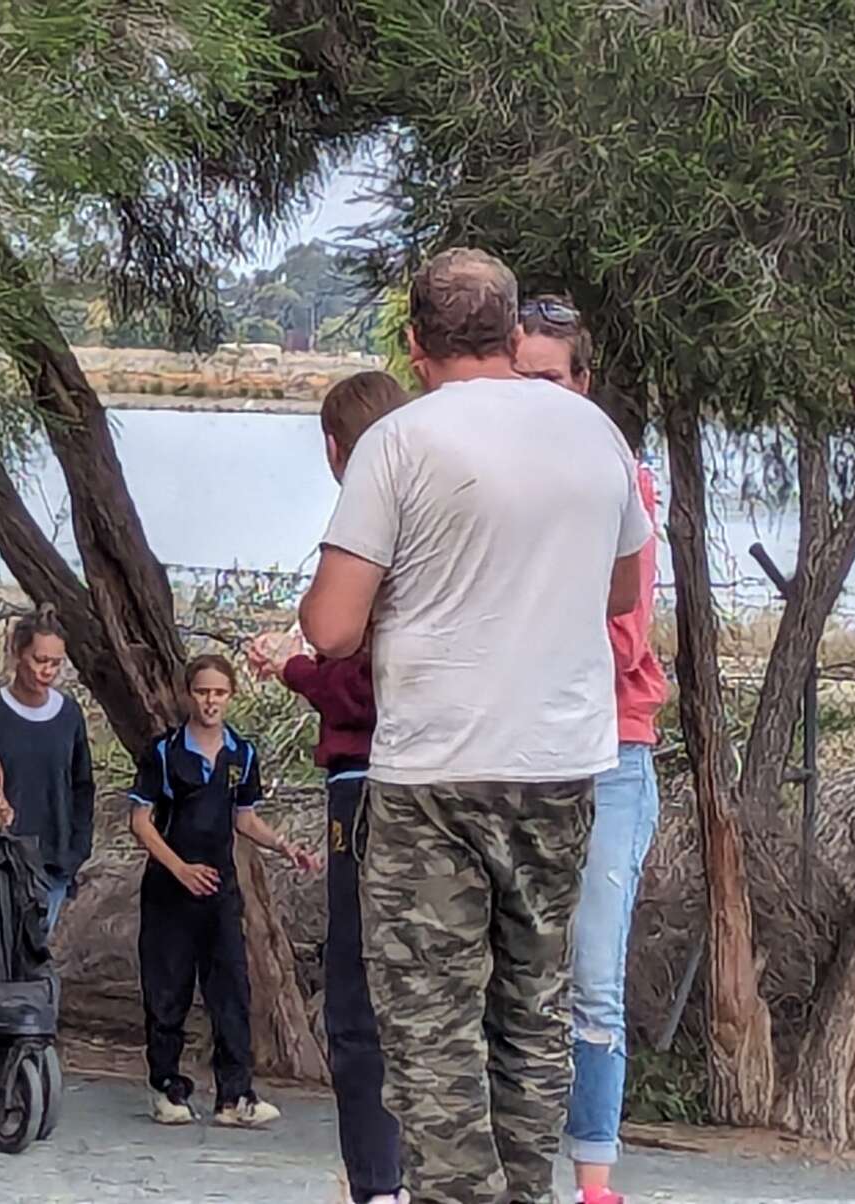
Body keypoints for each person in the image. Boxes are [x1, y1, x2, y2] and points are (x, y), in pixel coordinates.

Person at [299, 247, 651, 1204]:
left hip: (436, 774)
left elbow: (331, 627)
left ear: (415, 344)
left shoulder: (402, 442)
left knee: (430, 1020)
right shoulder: (596, 435)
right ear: (506, 333)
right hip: (562, 765)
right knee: (531, 1010)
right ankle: (526, 1191)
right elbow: (623, 587)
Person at [516, 296, 666, 1204]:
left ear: (583, 383)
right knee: (511, 974)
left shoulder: (626, 483)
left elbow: (625, 635)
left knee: (591, 977)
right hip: (516, 750)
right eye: (518, 377)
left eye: (550, 378)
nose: (535, 397)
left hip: (610, 751)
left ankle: (597, 1180)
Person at [251, 370, 409, 1204]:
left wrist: (295, 667)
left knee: (357, 989)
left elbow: (362, 685)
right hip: (453, 777)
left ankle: (376, 1180)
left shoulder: (370, 531)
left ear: (335, 449)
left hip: (368, 779)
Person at [128, 654, 320, 1129]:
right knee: (167, 989)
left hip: (220, 892)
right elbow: (140, 821)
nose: (210, 701)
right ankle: (167, 1087)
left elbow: (245, 818)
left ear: (231, 696)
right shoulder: (164, 753)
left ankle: (235, 1095)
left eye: (219, 693)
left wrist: (284, 845)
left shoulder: (242, 754)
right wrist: (179, 868)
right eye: (202, 691)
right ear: (186, 694)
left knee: (231, 990)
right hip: (170, 891)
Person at [0, 605, 95, 934]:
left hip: (53, 861)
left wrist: (77, 851)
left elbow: (82, 786)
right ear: (18, 653)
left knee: (36, 952)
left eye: (56, 663)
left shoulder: (69, 715)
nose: (47, 671)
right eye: (39, 660)